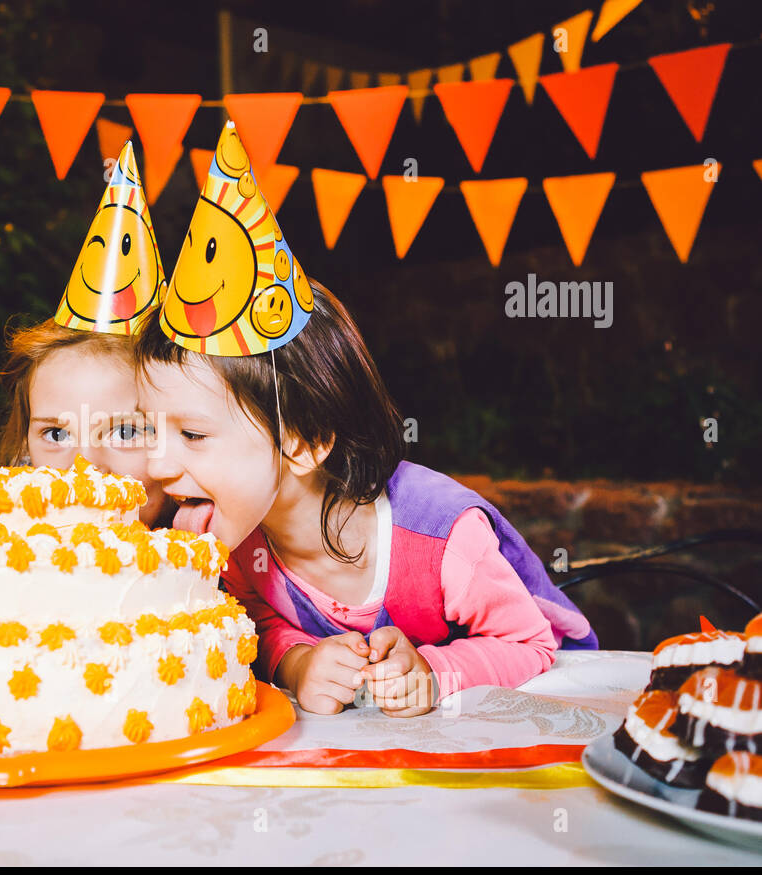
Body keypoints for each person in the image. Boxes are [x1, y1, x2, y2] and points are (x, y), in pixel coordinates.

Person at [133, 124, 597, 718]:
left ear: (303, 441)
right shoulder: (234, 544)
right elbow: (261, 625)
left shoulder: (441, 539)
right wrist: (296, 662)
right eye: (149, 429)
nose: (156, 463)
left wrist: (433, 670)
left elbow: (533, 644)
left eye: (192, 435)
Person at [0, 142, 176, 529]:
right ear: (26, 450)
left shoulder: (216, 562)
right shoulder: (21, 538)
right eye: (56, 433)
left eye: (126, 431)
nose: (85, 468)